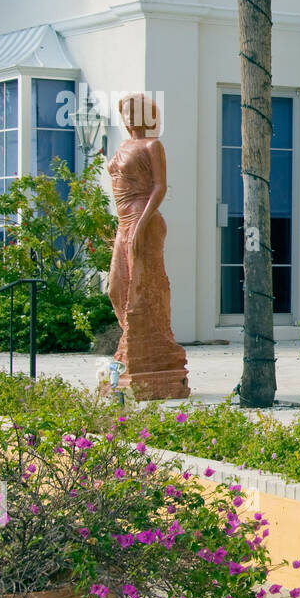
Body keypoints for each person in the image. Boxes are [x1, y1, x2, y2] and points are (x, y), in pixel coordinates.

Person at [105, 93, 189, 399]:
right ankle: (134, 345)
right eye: (123, 112)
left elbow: (160, 186)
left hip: (144, 220)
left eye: (132, 111)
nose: (127, 117)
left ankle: (149, 353)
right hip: (123, 221)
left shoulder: (153, 145)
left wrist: (141, 224)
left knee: (142, 289)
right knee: (116, 287)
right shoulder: (124, 146)